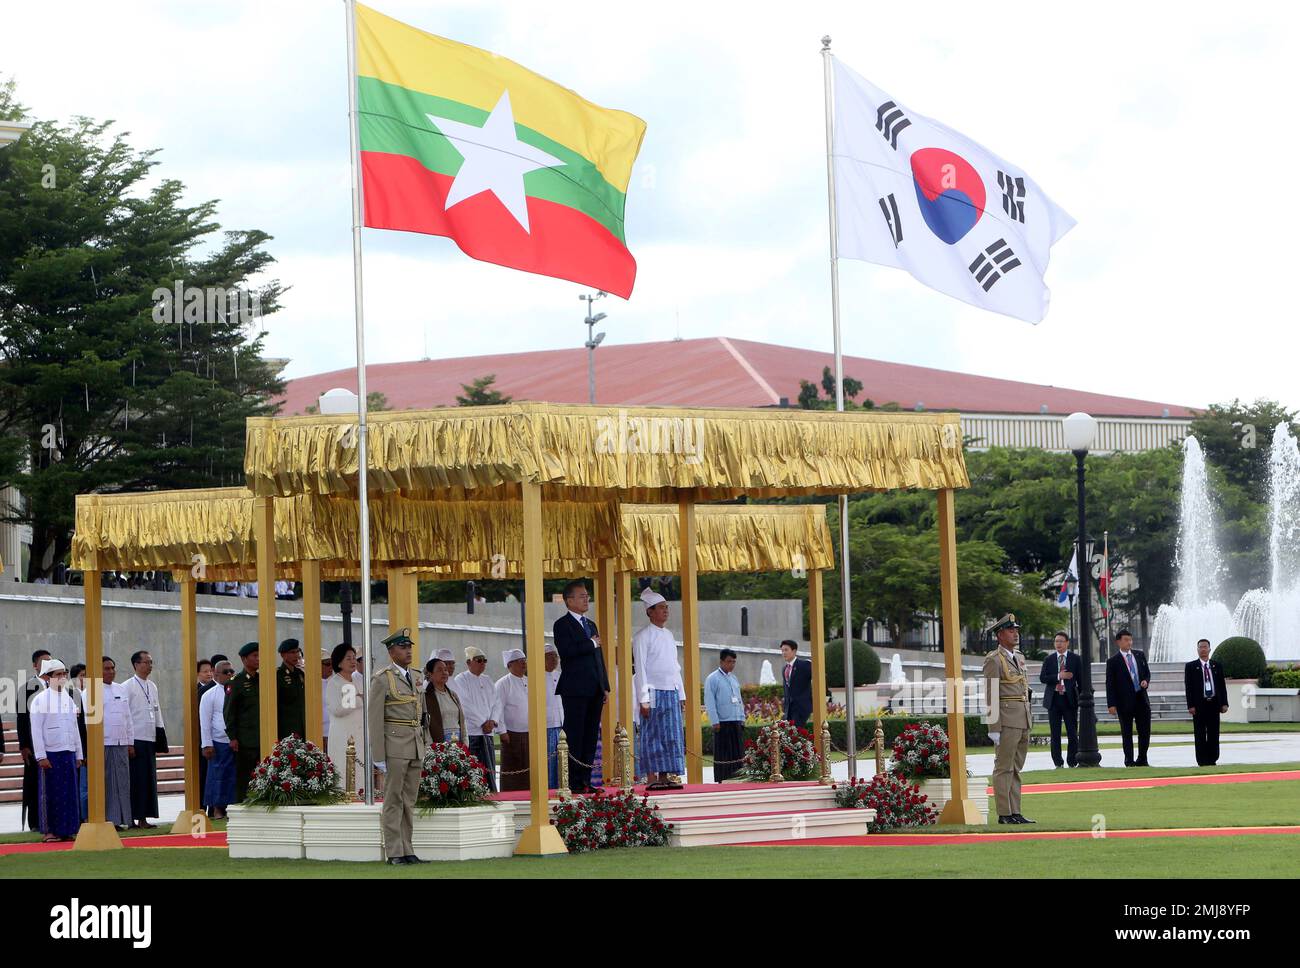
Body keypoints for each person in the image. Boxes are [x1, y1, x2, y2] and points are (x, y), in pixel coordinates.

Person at [367, 628, 430, 865]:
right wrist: (378, 754)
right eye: (403, 647)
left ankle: (407, 848)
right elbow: (374, 719)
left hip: (414, 743)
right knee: (393, 799)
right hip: (394, 744)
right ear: (391, 651)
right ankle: (395, 851)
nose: (408, 651)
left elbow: (422, 713)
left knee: (409, 800)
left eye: (409, 647)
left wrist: (425, 742)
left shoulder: (415, 675)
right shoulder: (382, 678)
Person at [553, 579, 609, 794]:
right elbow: (567, 651)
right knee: (575, 734)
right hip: (575, 689)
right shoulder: (562, 624)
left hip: (594, 688)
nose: (587, 599)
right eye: (582, 596)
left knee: (590, 735)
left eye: (587, 595)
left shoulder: (590, 624)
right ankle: (573, 781)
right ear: (569, 600)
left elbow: (598, 657)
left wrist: (604, 685)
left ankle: (585, 780)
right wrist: (591, 643)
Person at [632, 587, 686, 789]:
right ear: (650, 611)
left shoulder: (669, 635)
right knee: (652, 734)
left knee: (671, 734)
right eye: (661, 608)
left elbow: (675, 666)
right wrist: (643, 698)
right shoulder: (642, 637)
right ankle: (652, 777)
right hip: (653, 691)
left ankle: (665, 775)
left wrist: (681, 693)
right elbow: (641, 670)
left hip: (670, 690)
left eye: (667, 607)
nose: (666, 611)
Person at [982, 614, 1034, 824]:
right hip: (1006, 719)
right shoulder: (993, 659)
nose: (1015, 634)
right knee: (1004, 767)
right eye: (1011, 630)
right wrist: (993, 726)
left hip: (1022, 717)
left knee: (1016, 768)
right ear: (1000, 634)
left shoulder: (1019, 657)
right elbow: (990, 693)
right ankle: (1004, 813)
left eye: (1016, 630)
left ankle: (1016, 812)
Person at [29, 659, 84, 843]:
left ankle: (67, 829)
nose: (62, 677)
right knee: (50, 793)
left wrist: (79, 754)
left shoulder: (68, 698)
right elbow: (36, 730)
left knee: (69, 793)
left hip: (68, 751)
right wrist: (41, 756)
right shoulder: (40, 700)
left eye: (64, 673)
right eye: (58, 674)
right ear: (47, 677)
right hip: (51, 753)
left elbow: (74, 727)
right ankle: (50, 831)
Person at [126, 650, 167, 829]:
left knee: (149, 780)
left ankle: (145, 817)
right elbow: (125, 716)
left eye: (151, 662)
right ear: (136, 664)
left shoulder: (152, 686)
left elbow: (157, 711)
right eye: (146, 662)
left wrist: (160, 736)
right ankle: (133, 818)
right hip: (136, 738)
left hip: (149, 737)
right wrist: (128, 741)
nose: (149, 665)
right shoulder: (127, 686)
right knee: (137, 779)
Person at [452, 646, 501, 793]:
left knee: (489, 769)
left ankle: (491, 793)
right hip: (473, 733)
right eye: (479, 660)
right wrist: (482, 723)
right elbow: (465, 705)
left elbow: (497, 703)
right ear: (469, 662)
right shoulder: (461, 679)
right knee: (474, 768)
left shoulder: (488, 680)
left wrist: (492, 721)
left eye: (484, 661)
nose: (482, 663)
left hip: (488, 733)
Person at [1106, 629, 1151, 767]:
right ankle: (1129, 760)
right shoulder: (1113, 661)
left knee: (1144, 731)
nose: (1129, 643)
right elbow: (1110, 684)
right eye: (1126, 640)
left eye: (1130, 640)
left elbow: (1147, 673)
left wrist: (1145, 681)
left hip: (1141, 699)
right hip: (1124, 702)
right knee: (1127, 733)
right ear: (1118, 641)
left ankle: (1142, 759)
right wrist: (1111, 704)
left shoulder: (1139, 655)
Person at [100, 656, 135, 830]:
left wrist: (130, 741)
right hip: (104, 743)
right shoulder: (91, 692)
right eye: (106, 668)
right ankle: (110, 820)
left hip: (121, 742)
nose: (111, 671)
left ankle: (124, 819)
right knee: (108, 784)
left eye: (112, 668)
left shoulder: (120, 689)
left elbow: (128, 718)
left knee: (122, 782)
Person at [224, 642, 262, 802]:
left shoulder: (263, 680)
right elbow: (229, 712)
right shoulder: (236, 682)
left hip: (262, 735)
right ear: (244, 659)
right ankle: (242, 805)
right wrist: (232, 737)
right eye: (255, 656)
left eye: (260, 655)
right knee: (244, 776)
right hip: (245, 738)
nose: (258, 659)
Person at [17, 649, 50, 830]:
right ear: (35, 665)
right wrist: (24, 745)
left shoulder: (57, 687)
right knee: (34, 785)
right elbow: (22, 719)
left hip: (52, 743)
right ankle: (35, 823)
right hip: (33, 745)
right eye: (43, 662)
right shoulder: (27, 688)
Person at [199, 658, 236, 819]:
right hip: (217, 742)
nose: (229, 675)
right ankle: (216, 809)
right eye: (226, 672)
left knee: (233, 777)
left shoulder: (236, 690)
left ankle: (231, 807)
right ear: (216, 674)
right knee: (217, 777)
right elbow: (205, 721)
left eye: (231, 672)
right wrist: (206, 744)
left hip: (234, 741)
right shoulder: (209, 694)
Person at [1039, 631, 1080, 768]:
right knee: (1055, 734)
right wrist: (1059, 676)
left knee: (1072, 734)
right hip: (1054, 700)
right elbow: (1043, 678)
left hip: (1069, 700)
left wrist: (1080, 698)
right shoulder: (1049, 659)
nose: (1058, 644)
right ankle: (1058, 763)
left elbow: (1081, 680)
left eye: (1061, 641)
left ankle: (1072, 761)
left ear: (1067, 643)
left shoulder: (1075, 659)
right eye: (1056, 641)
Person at [326, 644, 365, 790]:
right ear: (339, 662)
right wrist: (359, 699)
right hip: (342, 735)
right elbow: (338, 709)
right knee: (343, 768)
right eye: (348, 658)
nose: (353, 661)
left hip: (360, 734)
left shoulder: (358, 681)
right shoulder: (334, 682)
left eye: (354, 658)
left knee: (361, 769)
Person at [1185, 638, 1229, 767]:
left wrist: (1224, 703)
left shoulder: (1216, 666)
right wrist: (1190, 705)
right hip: (1199, 705)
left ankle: (1212, 758)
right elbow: (1188, 687)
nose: (1203, 649)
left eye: (1205, 647)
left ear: (1209, 649)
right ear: (1197, 650)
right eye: (1201, 647)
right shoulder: (1191, 667)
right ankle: (1201, 759)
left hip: (1214, 704)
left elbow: (1222, 686)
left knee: (1213, 733)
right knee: (1199, 734)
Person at [705, 649, 745, 783]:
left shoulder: (734, 678)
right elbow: (710, 701)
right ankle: (723, 779)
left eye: (734, 662)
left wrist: (742, 717)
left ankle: (738, 778)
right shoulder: (712, 678)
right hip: (722, 722)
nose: (732, 665)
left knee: (737, 753)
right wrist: (715, 721)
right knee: (724, 753)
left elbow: (739, 699)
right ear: (721, 661)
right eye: (729, 662)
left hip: (736, 721)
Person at [495, 649, 531, 792]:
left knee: (528, 767)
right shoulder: (503, 683)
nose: (524, 664)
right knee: (512, 767)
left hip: (529, 733)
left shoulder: (529, 681)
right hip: (511, 734)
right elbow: (498, 709)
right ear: (510, 665)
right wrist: (502, 732)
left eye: (524, 661)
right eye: (519, 661)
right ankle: (510, 795)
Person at [424, 657, 466, 743]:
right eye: (439, 670)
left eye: (445, 670)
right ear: (430, 674)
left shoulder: (453, 695)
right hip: (438, 746)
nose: (444, 673)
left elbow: (461, 721)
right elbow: (425, 726)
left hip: (457, 744)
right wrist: (431, 747)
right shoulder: (426, 697)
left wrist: (465, 742)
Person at [543, 644, 564, 789]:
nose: (554, 659)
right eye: (550, 656)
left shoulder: (560, 675)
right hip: (547, 725)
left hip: (562, 724)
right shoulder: (537, 677)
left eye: (555, 656)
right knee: (549, 761)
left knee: (563, 761)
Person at [276, 638, 306, 740]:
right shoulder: (278, 675)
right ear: (283, 655)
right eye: (292, 652)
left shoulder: (300, 674)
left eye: (297, 651)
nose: (296, 655)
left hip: (303, 726)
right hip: (286, 729)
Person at [779, 640, 812, 731]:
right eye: (782, 651)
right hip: (789, 710)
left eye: (786, 650)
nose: (784, 653)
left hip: (802, 708)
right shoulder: (784, 669)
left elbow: (819, 677)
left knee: (796, 735)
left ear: (794, 651)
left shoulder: (804, 665)